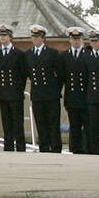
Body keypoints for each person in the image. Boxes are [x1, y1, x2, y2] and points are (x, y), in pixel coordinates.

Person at [26, 24, 64, 153]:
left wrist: (55, 89)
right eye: (33, 37)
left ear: (43, 38)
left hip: (51, 93)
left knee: (53, 122)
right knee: (40, 122)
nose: (35, 40)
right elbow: (28, 73)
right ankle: (44, 147)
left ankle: (55, 147)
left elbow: (60, 74)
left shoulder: (52, 53)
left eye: (37, 37)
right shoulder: (29, 54)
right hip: (37, 93)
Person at [0, 25, 28, 152]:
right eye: (0, 35)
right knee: (6, 121)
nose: (2, 38)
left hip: (15, 92)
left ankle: (20, 147)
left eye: (5, 35)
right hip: (3, 91)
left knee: (17, 122)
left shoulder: (18, 54)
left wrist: (19, 89)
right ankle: (8, 147)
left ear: (10, 37)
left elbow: (23, 73)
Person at [61, 26, 90, 153]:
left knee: (87, 125)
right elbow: (62, 77)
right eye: (73, 39)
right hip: (72, 96)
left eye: (78, 39)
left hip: (86, 96)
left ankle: (87, 148)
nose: (76, 41)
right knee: (74, 125)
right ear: (70, 40)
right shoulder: (65, 56)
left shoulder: (88, 54)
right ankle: (75, 148)